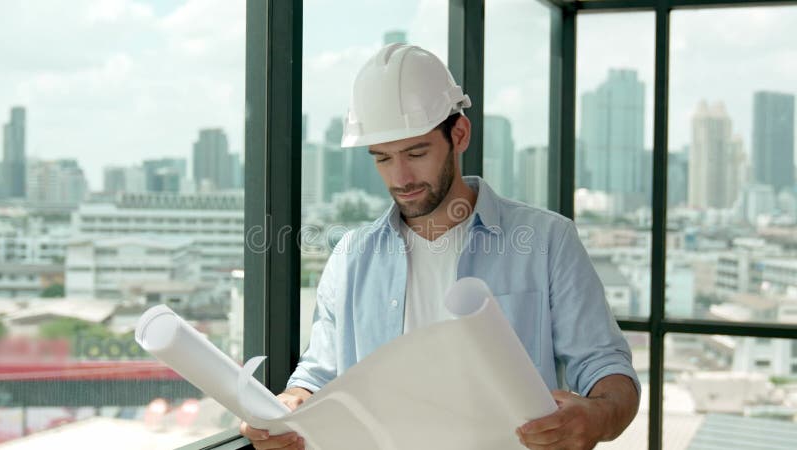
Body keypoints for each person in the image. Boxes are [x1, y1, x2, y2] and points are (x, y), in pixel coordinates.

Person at [241, 43, 640, 450]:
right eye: (382, 158)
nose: (401, 177)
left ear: (459, 134)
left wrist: (598, 416)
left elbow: (606, 367)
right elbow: (317, 377)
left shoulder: (548, 241)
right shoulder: (350, 258)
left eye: (416, 152)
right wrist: (290, 405)